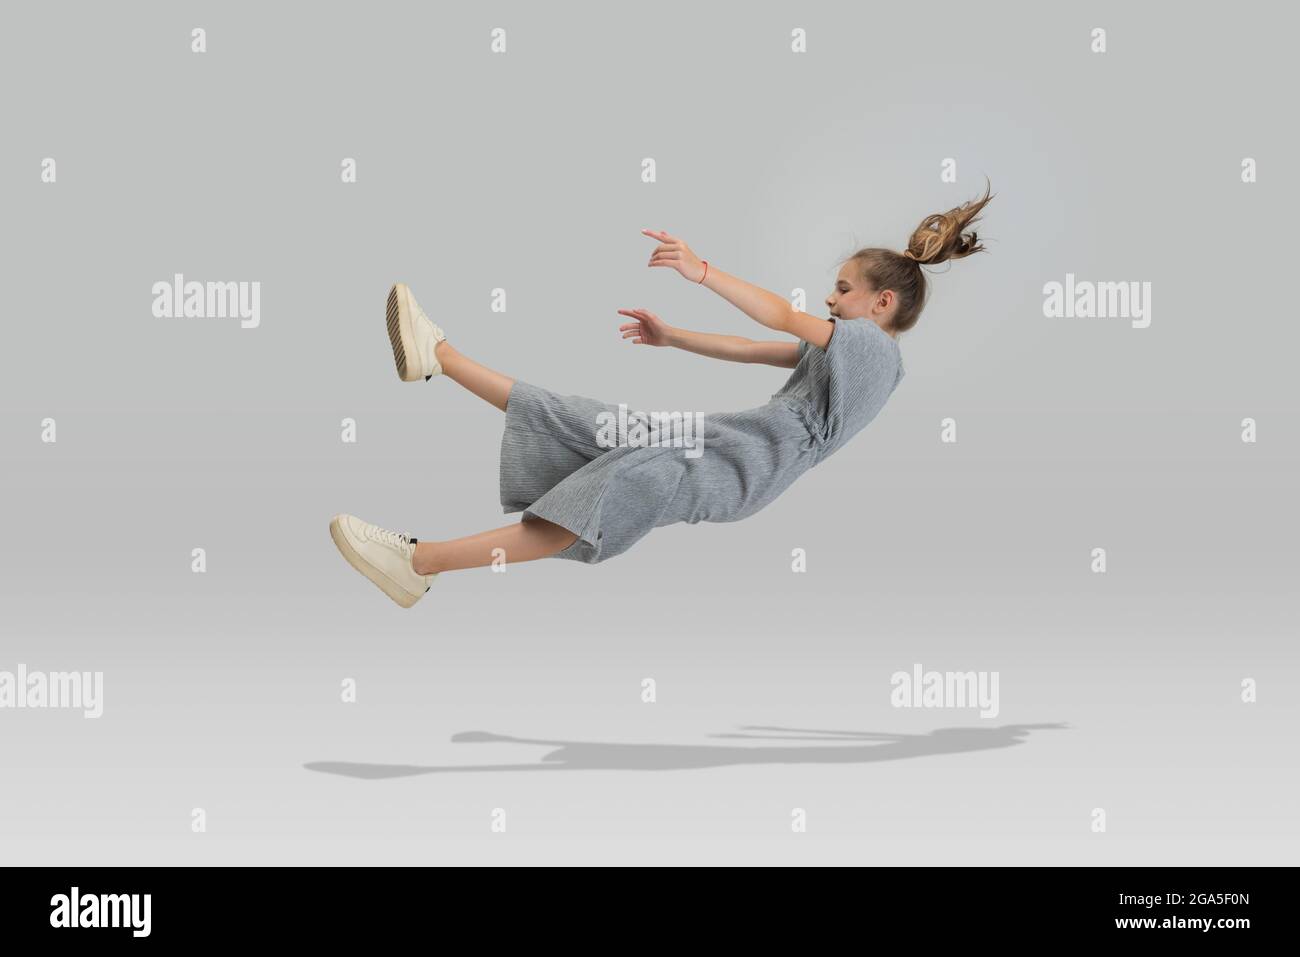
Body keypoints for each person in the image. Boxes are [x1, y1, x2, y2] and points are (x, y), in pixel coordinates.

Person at [330, 181, 995, 607]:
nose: (830, 297)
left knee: (596, 505)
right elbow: (761, 349)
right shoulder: (851, 354)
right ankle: (435, 357)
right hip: (721, 441)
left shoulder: (874, 351)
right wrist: (674, 338)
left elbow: (779, 318)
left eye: (843, 290)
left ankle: (418, 562)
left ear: (882, 303)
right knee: (588, 422)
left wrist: (702, 271)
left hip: (733, 469)